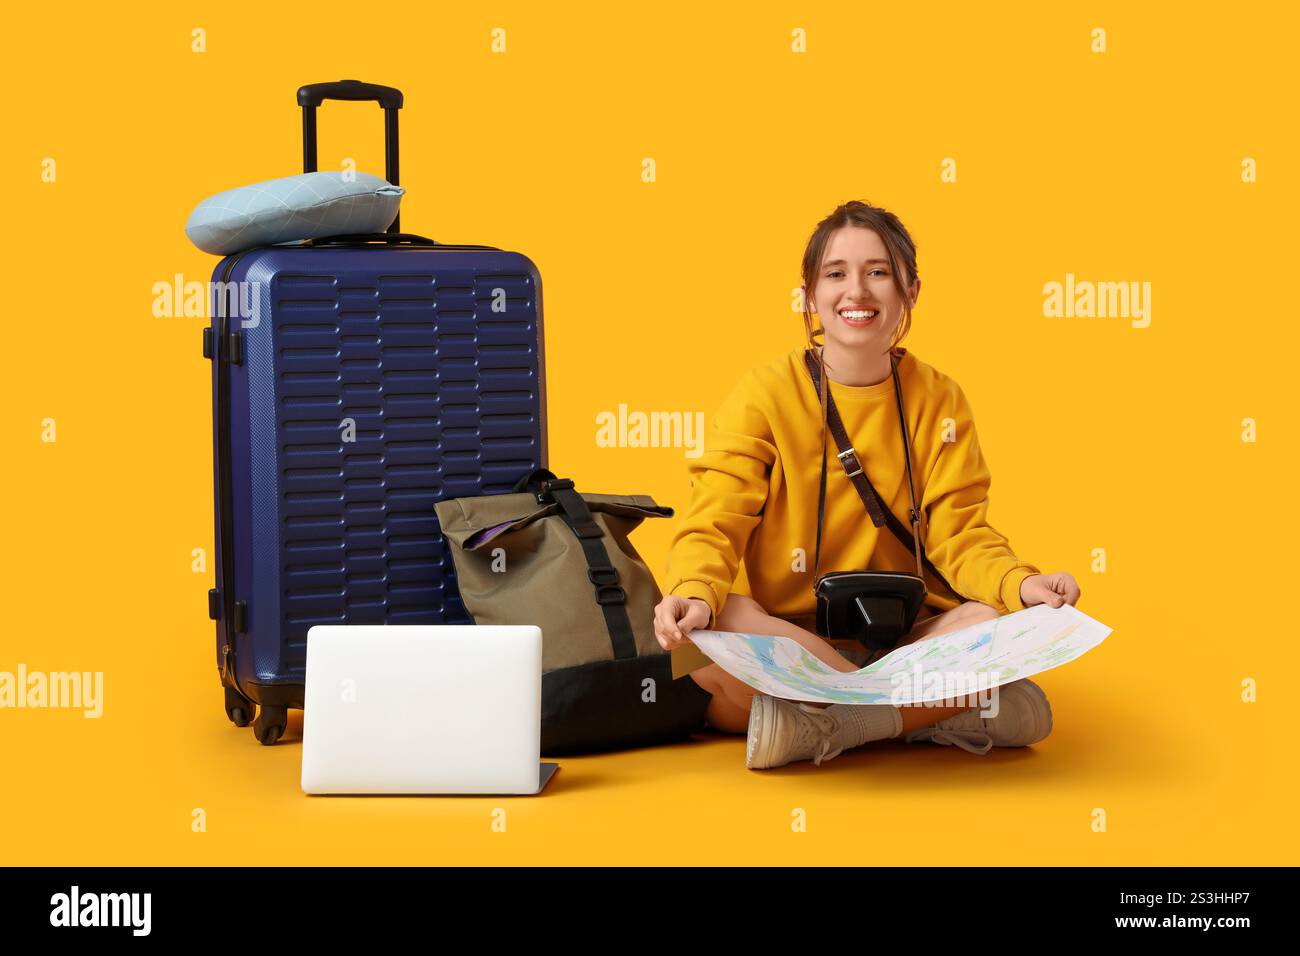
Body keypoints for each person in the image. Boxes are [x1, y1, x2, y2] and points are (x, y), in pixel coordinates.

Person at [654, 200, 1081, 770]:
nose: (856, 291)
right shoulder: (763, 393)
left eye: (878, 272)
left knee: (995, 617)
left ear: (910, 292)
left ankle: (832, 722)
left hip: (909, 640)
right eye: (836, 274)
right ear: (809, 295)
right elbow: (715, 519)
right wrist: (693, 592)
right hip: (796, 643)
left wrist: (1021, 586)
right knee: (713, 628)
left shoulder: (940, 399)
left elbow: (961, 536)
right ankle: (928, 713)